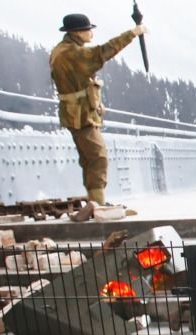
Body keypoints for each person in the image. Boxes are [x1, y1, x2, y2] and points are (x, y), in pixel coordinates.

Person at [48, 12, 147, 208]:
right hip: (80, 115)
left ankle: (95, 202)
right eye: (88, 30)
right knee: (97, 157)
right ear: (78, 32)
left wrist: (95, 103)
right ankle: (98, 204)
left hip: (79, 112)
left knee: (90, 158)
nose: (91, 33)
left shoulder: (64, 50)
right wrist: (133, 33)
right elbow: (103, 52)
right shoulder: (71, 53)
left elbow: (80, 82)